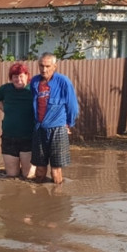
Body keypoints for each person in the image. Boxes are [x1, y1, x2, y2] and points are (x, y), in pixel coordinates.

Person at [30, 53, 79, 185]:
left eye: (47, 66)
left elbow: (73, 106)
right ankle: (38, 198)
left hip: (57, 129)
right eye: (41, 66)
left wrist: (69, 124)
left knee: (56, 170)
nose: (44, 69)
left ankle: (57, 199)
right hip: (39, 129)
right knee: (39, 169)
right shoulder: (34, 81)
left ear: (54, 66)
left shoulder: (63, 82)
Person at [0, 62, 35, 178]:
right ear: (11, 78)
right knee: (12, 175)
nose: (18, 79)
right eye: (15, 76)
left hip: (29, 137)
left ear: (27, 76)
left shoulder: (33, 89)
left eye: (21, 76)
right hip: (9, 137)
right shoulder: (6, 89)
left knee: (28, 175)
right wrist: (6, 109)